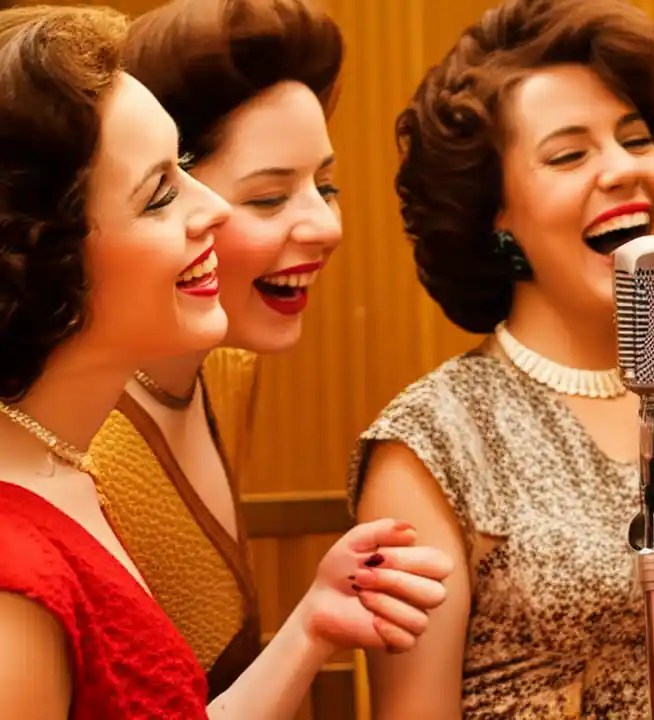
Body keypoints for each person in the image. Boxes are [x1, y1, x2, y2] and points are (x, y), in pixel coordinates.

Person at [348, 0, 654, 717]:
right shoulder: (431, 444)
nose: (621, 170)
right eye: (568, 154)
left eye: (635, 139)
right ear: (496, 212)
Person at [0, 6, 441, 719]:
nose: (212, 210)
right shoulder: (16, 580)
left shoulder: (64, 461)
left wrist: (312, 623)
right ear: (50, 257)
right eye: (162, 193)